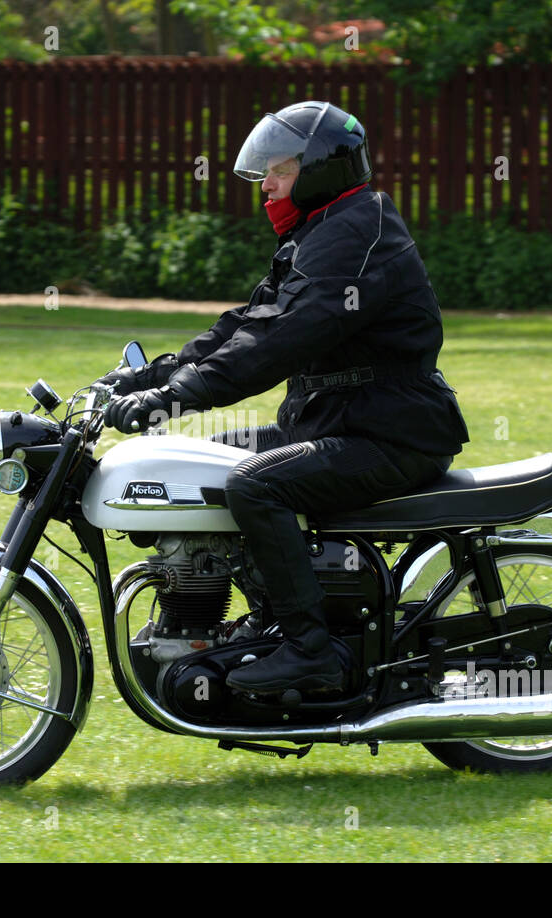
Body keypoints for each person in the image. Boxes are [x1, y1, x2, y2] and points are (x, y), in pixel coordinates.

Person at [100, 101, 469, 695]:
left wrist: (174, 397)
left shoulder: (355, 233)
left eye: (280, 169)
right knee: (209, 464)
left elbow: (274, 344)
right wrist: (151, 379)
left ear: (322, 167)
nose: (266, 183)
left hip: (388, 433)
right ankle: (251, 622)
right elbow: (246, 323)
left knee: (254, 483)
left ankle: (308, 650)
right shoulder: (324, 229)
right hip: (336, 421)